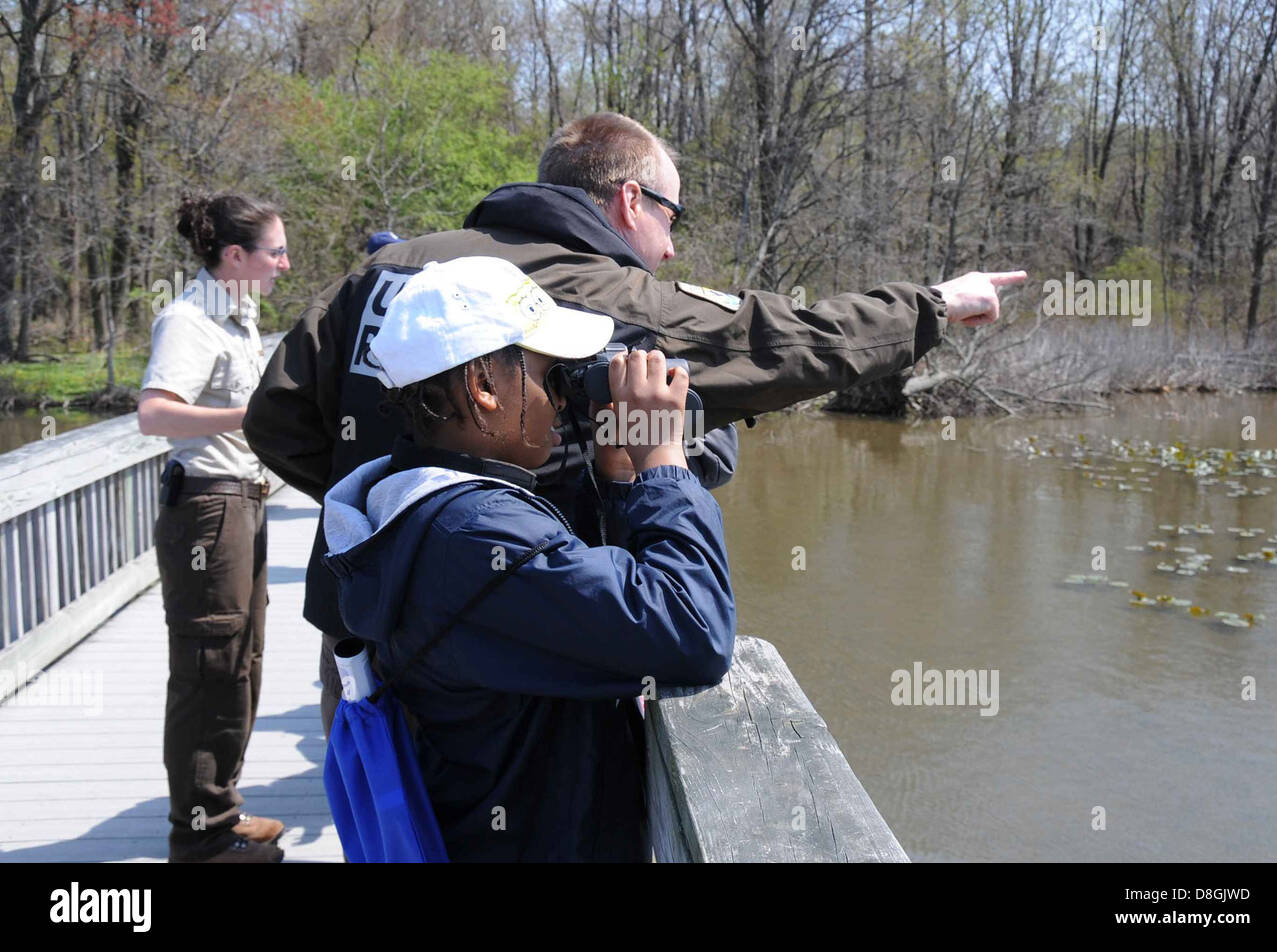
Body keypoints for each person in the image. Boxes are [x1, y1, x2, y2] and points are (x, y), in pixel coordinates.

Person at [244, 111, 1023, 736]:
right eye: (671, 216)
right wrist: (936, 304)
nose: (673, 243)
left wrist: (399, 518)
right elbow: (786, 339)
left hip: (360, 652)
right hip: (518, 674)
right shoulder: (604, 291)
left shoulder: (384, 271)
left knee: (390, 828)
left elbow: (276, 418)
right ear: (629, 201)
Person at [321, 256, 735, 861]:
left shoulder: (421, 508)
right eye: (552, 375)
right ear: (486, 388)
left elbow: (598, 616)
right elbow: (691, 633)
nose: (565, 400)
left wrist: (621, 476)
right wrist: (666, 464)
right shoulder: (475, 535)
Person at [137, 191, 291, 863]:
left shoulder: (236, 319)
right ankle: (198, 841)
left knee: (239, 665)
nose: (285, 264)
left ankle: (220, 810)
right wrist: (249, 419)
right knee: (209, 668)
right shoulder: (190, 321)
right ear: (235, 256)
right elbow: (155, 415)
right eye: (275, 252)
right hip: (208, 510)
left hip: (240, 504)